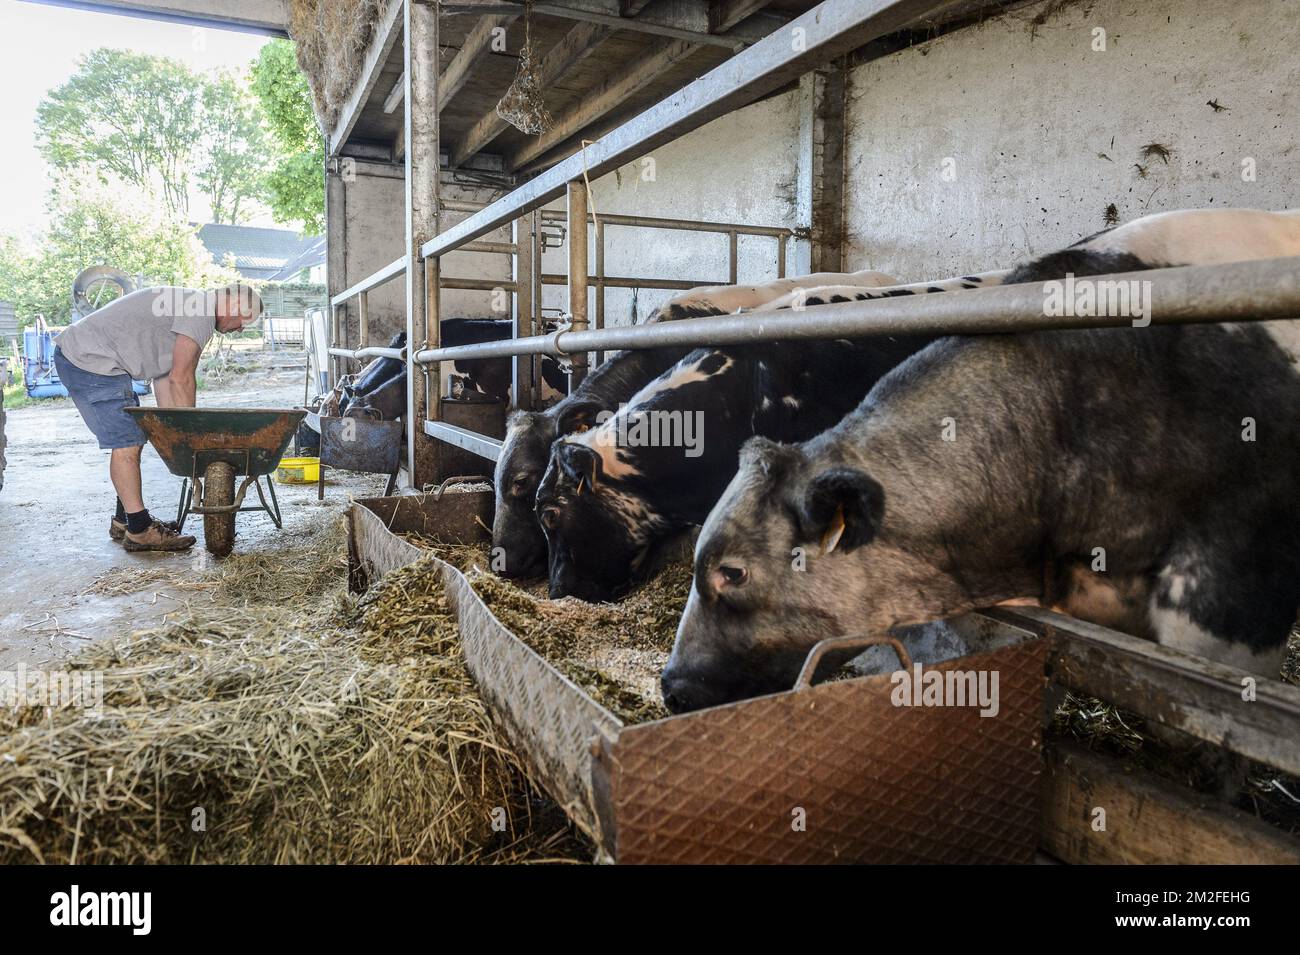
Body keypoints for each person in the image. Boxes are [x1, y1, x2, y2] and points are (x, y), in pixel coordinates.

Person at [53, 284, 263, 552]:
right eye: (246, 320)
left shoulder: (190, 304)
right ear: (235, 304)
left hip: (91, 359)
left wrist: (172, 429)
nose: (241, 329)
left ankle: (124, 520)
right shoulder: (200, 308)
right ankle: (140, 530)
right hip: (90, 361)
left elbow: (165, 376)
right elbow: (183, 377)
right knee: (127, 443)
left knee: (134, 439)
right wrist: (193, 434)